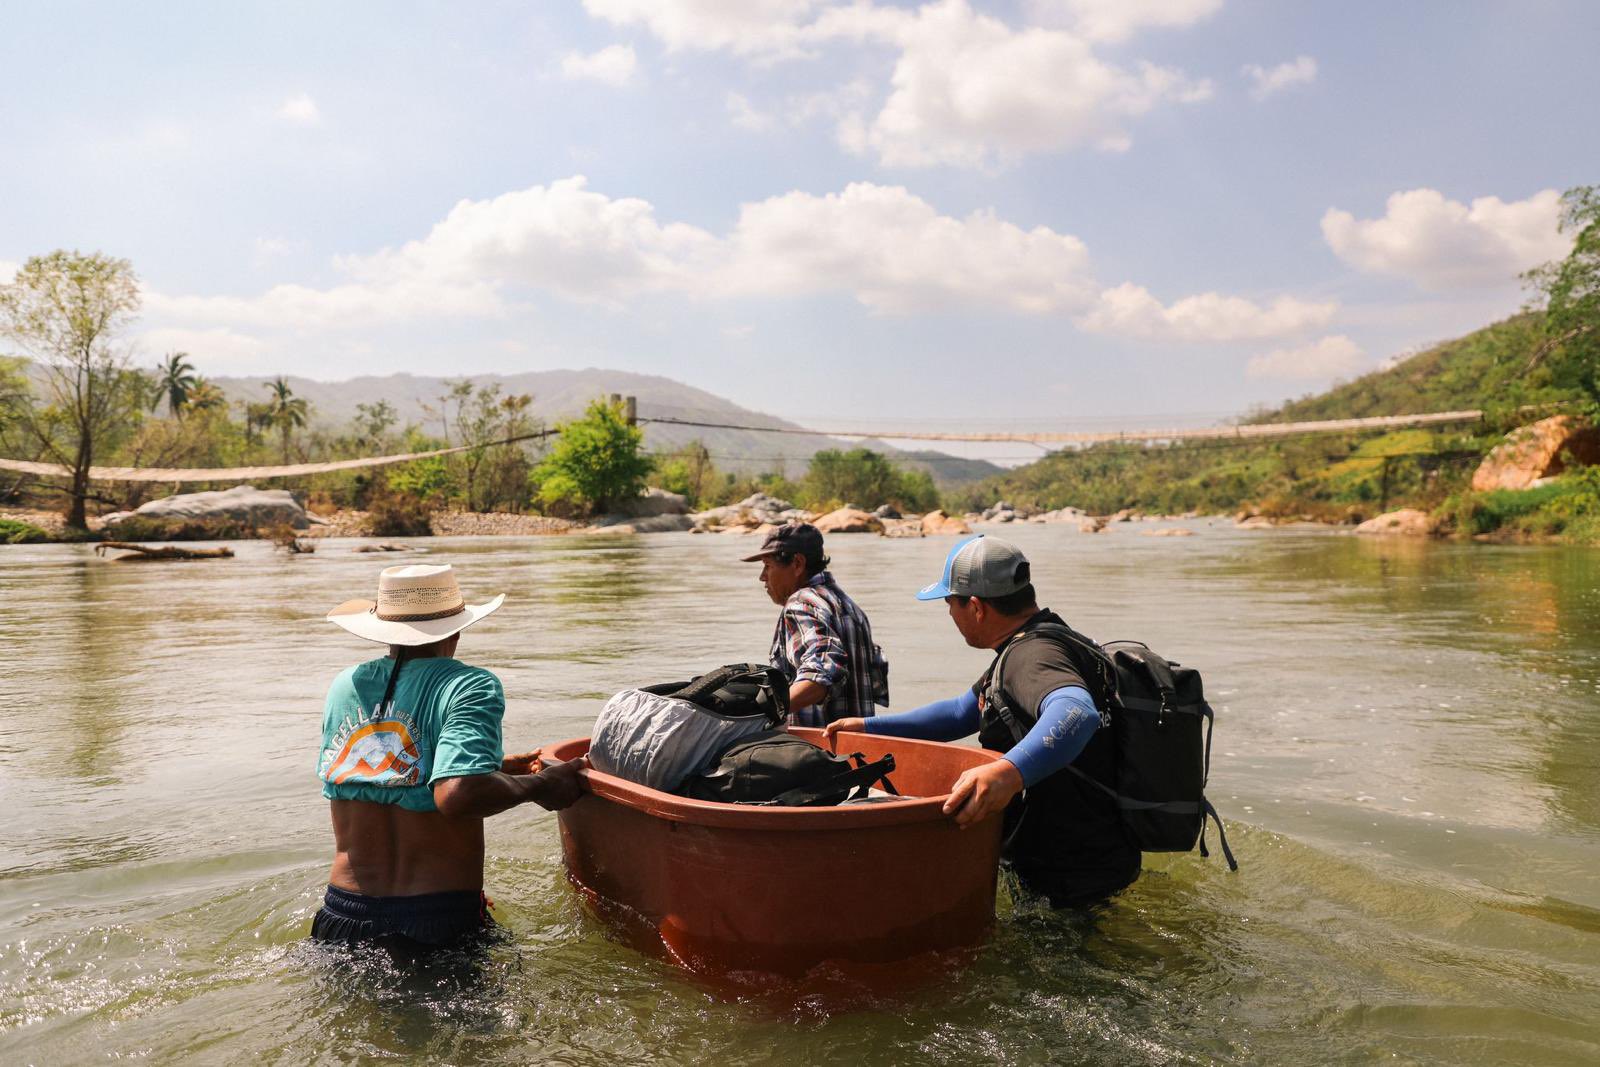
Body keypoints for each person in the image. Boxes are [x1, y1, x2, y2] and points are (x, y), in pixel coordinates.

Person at [825, 535, 1140, 907]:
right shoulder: (1053, 638)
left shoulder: (1030, 656)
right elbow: (962, 712)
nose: (948, 614)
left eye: (949, 603)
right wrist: (869, 727)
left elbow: (1077, 712)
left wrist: (1007, 772)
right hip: (1101, 850)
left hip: (1065, 869)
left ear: (975, 607)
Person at [313, 563, 584, 949]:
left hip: (342, 915)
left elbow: (376, 772)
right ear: (457, 627)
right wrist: (542, 785)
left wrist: (498, 768)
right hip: (435, 921)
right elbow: (457, 794)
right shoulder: (469, 685)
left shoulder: (346, 685)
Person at [742, 522, 889, 727]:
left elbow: (820, 674)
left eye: (768, 566)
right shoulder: (851, 607)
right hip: (860, 753)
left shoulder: (801, 603)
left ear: (797, 564)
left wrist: (756, 714)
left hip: (815, 753)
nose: (762, 577)